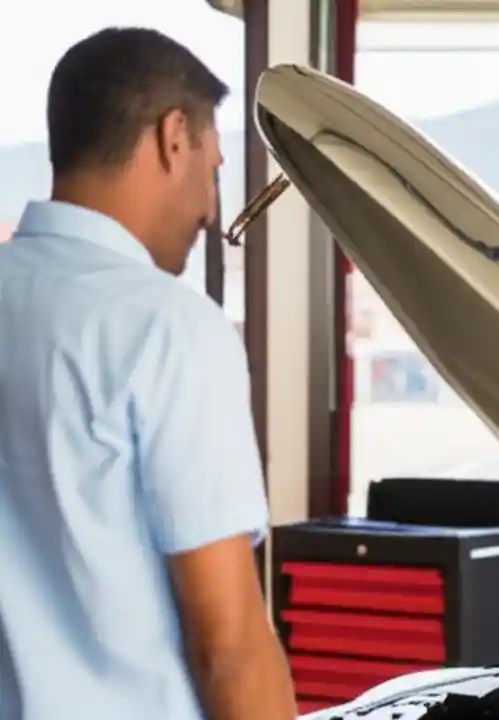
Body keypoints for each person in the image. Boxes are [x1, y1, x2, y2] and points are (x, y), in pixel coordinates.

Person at [0, 28, 296, 719]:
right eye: (214, 167)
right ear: (172, 138)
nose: (211, 208)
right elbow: (230, 647)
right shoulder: (168, 328)